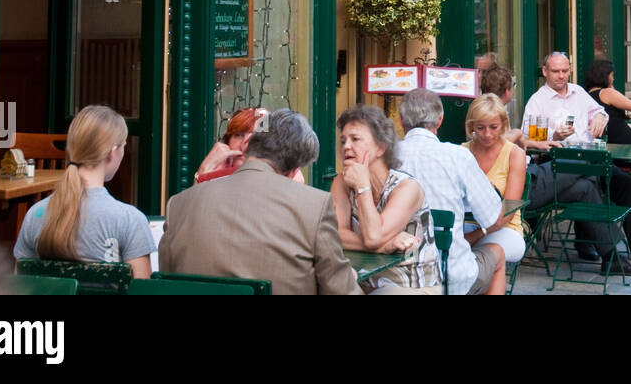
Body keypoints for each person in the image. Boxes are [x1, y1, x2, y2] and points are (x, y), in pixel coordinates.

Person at [159, 109, 361, 295]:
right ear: (295, 169)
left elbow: (167, 280)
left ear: (247, 145)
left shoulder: (178, 204)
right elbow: (342, 290)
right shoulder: (314, 205)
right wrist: (350, 277)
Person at [521, 52, 631, 270]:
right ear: (545, 72)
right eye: (555, 71)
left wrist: (599, 117)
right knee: (591, 181)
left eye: (565, 71)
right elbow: (529, 142)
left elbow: (600, 111)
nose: (561, 76)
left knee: (622, 182)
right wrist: (554, 137)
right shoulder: (537, 101)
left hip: (590, 157)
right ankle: (593, 245)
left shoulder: (578, 92)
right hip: (560, 160)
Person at [13, 105, 154, 277]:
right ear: (112, 152)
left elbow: (20, 284)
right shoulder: (130, 220)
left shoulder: (34, 215)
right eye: (124, 146)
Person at [396, 89, 507, 295]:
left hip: (396, 276)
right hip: (450, 277)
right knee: (498, 255)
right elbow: (492, 218)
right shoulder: (458, 156)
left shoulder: (386, 155)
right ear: (440, 121)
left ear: (401, 120)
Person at [330, 104, 441, 294]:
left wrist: (363, 186)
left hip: (413, 287)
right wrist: (384, 247)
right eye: (343, 140)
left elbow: (373, 236)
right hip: (365, 282)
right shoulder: (341, 182)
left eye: (355, 139)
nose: (346, 146)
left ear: (381, 148)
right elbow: (335, 235)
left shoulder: (407, 188)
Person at [463, 94, 527, 267]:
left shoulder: (514, 154)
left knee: (478, 257)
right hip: (466, 225)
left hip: (504, 229)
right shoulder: (462, 152)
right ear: (472, 126)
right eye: (480, 128)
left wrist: (474, 236)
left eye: (494, 127)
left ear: (504, 125)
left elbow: (509, 210)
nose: (487, 134)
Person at [192, 106, 305, 184]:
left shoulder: (287, 174)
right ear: (227, 141)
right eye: (238, 135)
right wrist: (205, 169)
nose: (244, 146)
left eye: (255, 137)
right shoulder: (216, 169)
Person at [478, 61, 525, 147]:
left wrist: (537, 144)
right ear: (507, 91)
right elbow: (497, 143)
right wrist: (517, 133)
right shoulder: (491, 111)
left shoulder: (483, 107)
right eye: (513, 85)